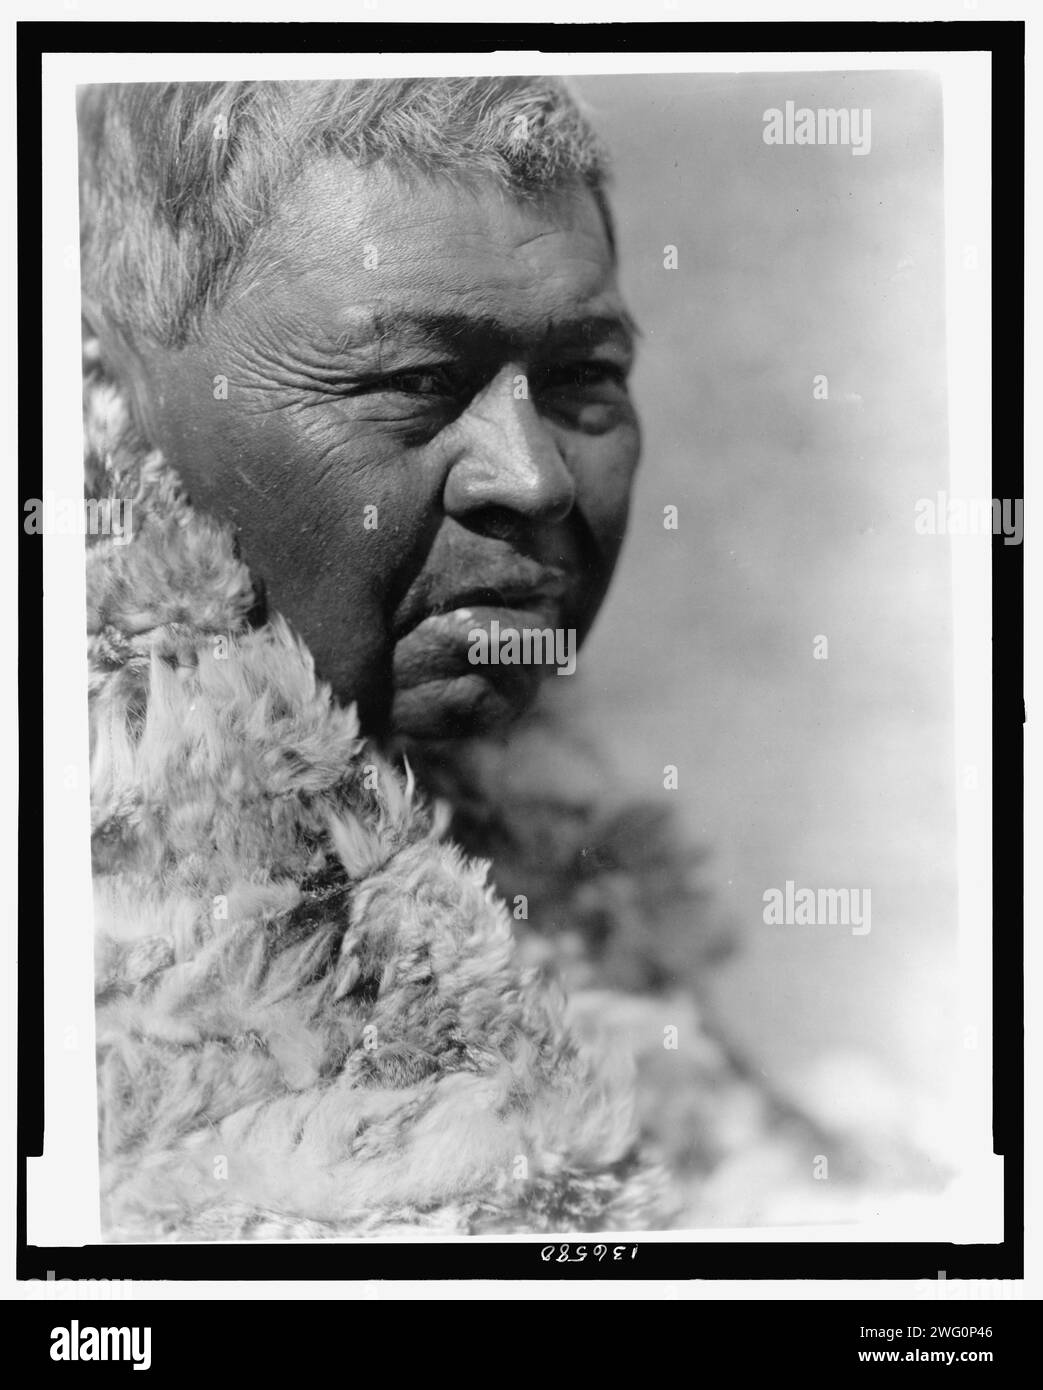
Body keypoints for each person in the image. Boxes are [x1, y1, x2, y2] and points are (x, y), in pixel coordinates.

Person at [81, 77, 893, 1240]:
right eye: (414, 383)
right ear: (103, 391)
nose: (535, 476)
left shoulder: (521, 841)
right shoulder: (79, 986)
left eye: (581, 381)